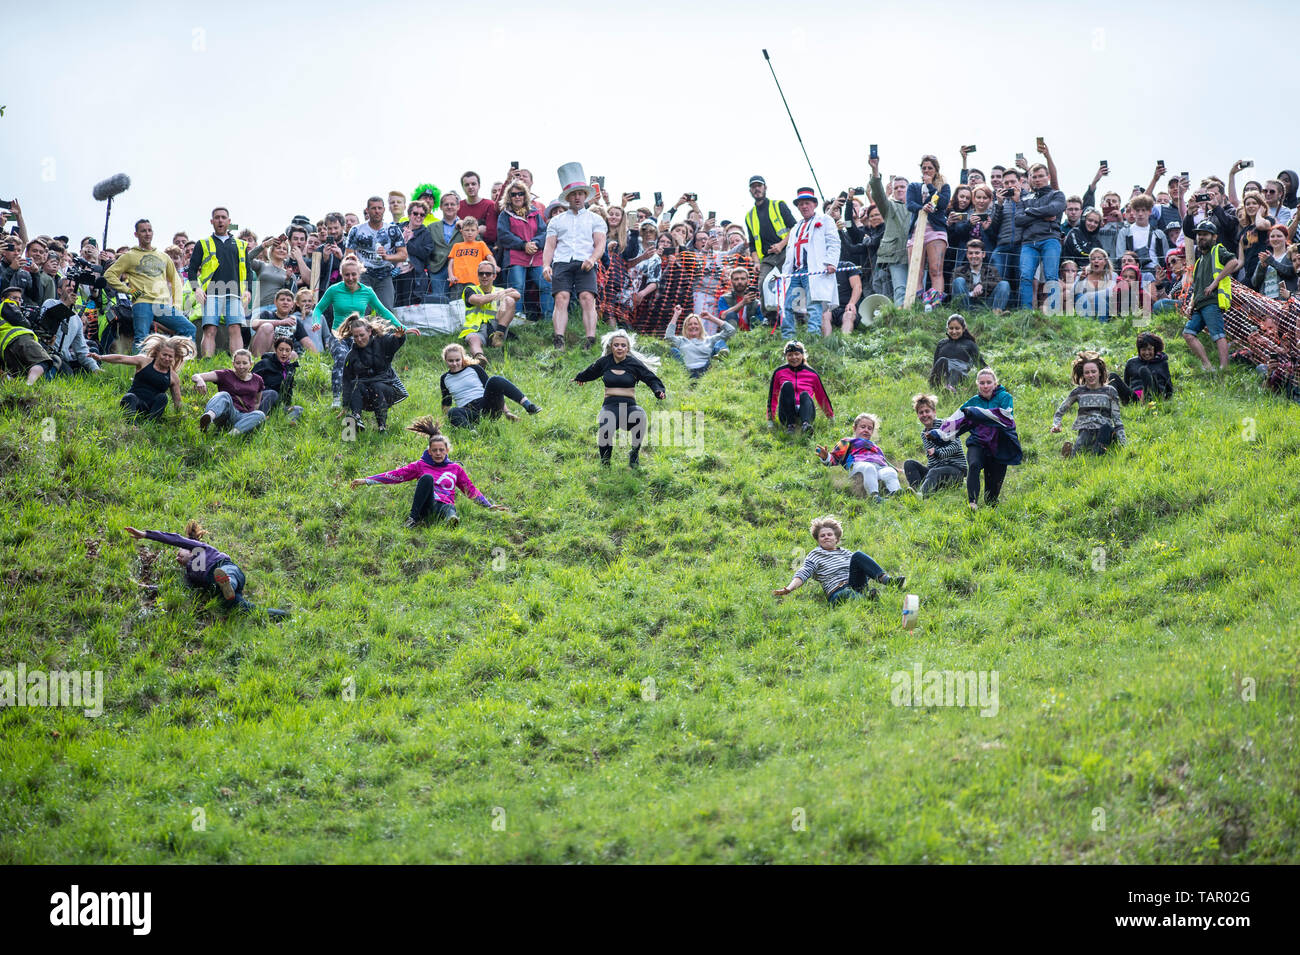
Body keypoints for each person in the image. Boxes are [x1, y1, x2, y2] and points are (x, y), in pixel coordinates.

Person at [348, 416, 508, 528]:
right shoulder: (420, 465)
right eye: (435, 450)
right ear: (429, 451)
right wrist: (367, 480)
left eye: (441, 450)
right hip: (426, 505)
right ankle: (413, 519)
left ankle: (450, 520)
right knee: (426, 478)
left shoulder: (456, 469)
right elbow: (396, 475)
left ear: (447, 450)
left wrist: (488, 506)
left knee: (449, 509)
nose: (438, 453)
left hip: (444, 505)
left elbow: (470, 490)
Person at [123, 522, 288, 617]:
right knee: (248, 609)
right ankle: (286, 616)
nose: (177, 557)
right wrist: (145, 588)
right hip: (220, 591)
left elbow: (174, 539)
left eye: (179, 552)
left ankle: (227, 582)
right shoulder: (191, 574)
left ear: (187, 547)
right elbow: (179, 589)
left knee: (228, 574)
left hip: (225, 568)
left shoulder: (199, 549)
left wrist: (145, 534)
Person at [313, 257, 403, 407]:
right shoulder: (334, 290)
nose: (350, 278)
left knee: (371, 361)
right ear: (342, 274)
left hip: (359, 336)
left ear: (359, 273)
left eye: (353, 274)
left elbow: (383, 311)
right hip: (338, 335)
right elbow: (318, 308)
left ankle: (378, 395)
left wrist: (402, 328)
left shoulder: (367, 291)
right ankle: (337, 398)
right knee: (342, 358)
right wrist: (316, 321)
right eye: (346, 275)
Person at [573, 328, 666, 467]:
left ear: (628, 348)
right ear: (611, 346)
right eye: (616, 345)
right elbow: (591, 371)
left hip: (629, 407)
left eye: (623, 345)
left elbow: (650, 378)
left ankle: (634, 454)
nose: (620, 348)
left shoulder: (634, 364)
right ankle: (605, 463)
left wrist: (658, 390)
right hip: (610, 407)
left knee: (641, 416)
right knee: (605, 423)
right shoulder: (604, 362)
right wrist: (580, 377)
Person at [931, 367, 1022, 510]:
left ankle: (991, 501)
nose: (985, 386)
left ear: (995, 383)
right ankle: (972, 503)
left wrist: (977, 413)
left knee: (990, 500)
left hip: (999, 445)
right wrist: (939, 433)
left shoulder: (1005, 398)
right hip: (978, 443)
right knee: (973, 465)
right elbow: (955, 419)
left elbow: (1005, 417)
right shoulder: (973, 402)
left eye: (988, 382)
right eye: (982, 383)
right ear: (977, 384)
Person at [103, 219, 196, 353]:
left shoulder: (163, 256)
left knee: (189, 328)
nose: (147, 233)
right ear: (136, 234)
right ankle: (137, 371)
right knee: (142, 339)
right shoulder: (129, 256)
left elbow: (175, 280)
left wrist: (177, 305)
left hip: (162, 304)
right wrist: (129, 290)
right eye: (143, 231)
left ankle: (185, 363)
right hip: (142, 303)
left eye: (149, 230)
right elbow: (109, 274)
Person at [773, 515, 906, 605]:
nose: (826, 537)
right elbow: (803, 573)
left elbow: (864, 570)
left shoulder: (846, 553)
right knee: (847, 593)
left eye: (829, 534)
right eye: (822, 536)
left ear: (836, 538)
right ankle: (867, 601)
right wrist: (789, 588)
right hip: (837, 592)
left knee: (858, 555)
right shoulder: (815, 554)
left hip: (856, 585)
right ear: (818, 540)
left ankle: (888, 581)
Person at [542, 165, 607, 350]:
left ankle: (590, 339)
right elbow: (550, 245)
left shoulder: (596, 219)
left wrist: (593, 259)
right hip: (562, 262)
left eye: (580, 193)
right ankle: (559, 339)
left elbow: (600, 243)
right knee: (561, 297)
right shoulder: (556, 221)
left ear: (585, 196)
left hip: (586, 261)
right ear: (568, 197)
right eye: (573, 194)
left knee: (587, 297)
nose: (577, 197)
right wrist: (546, 265)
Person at [187, 207, 252, 358]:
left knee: (235, 328)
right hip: (211, 293)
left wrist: (248, 290)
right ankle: (207, 362)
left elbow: (247, 270)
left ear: (229, 221)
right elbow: (191, 270)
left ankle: (239, 362)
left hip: (235, 293)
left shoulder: (241, 244)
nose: (220, 220)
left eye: (223, 217)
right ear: (212, 221)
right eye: (217, 217)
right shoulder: (202, 243)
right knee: (209, 329)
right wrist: (196, 289)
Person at [780, 187, 840, 338]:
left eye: (807, 203)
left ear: (814, 204)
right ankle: (788, 337)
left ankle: (813, 337)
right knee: (786, 305)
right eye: (801, 204)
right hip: (795, 272)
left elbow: (834, 242)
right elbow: (790, 251)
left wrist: (831, 262)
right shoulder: (795, 227)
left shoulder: (825, 220)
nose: (804, 206)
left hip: (814, 270)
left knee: (814, 305)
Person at [439, 341, 539, 427]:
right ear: (445, 360)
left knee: (495, 380)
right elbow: (446, 403)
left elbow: (493, 388)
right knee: (453, 412)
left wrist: (507, 412)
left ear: (462, 358)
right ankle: (472, 433)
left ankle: (528, 405)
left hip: (488, 407)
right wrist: (446, 420)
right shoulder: (445, 378)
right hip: (469, 412)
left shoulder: (474, 368)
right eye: (450, 361)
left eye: (457, 360)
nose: (454, 363)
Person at [1183, 220, 1239, 372]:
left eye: (1205, 234)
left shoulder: (1218, 250)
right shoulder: (1199, 261)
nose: (1201, 237)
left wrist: (1215, 282)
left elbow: (1234, 262)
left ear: (1214, 237)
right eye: (1199, 234)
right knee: (1188, 334)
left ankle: (1224, 368)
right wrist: (1190, 305)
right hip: (1199, 304)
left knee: (1218, 334)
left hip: (1212, 302)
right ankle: (1208, 365)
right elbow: (1197, 288)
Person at [339, 314, 410, 433]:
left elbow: (394, 341)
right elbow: (346, 381)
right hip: (365, 396)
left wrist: (399, 337)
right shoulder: (351, 356)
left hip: (386, 388)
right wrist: (345, 405)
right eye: (355, 336)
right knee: (355, 385)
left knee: (376, 386)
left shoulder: (382, 341)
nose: (359, 339)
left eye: (362, 335)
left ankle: (382, 426)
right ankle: (356, 418)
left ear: (370, 331)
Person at [99, 333, 194, 420]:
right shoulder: (143, 361)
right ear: (158, 353)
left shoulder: (173, 377)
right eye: (164, 355)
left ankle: (150, 423)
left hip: (151, 408)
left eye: (170, 356)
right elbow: (120, 358)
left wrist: (181, 418)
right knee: (129, 397)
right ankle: (132, 425)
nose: (167, 358)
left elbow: (178, 402)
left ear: (174, 358)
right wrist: (100, 357)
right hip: (134, 402)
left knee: (163, 397)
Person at [496, 181, 553, 321]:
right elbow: (503, 235)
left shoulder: (535, 212)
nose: (517, 197)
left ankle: (548, 319)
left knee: (547, 285)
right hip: (515, 256)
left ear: (525, 195)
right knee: (517, 288)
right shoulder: (505, 215)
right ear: (509, 197)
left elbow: (544, 232)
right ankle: (516, 319)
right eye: (513, 194)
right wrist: (523, 245)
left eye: (520, 193)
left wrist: (536, 243)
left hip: (536, 255)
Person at [1052, 352, 1126, 457]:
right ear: (1083, 374)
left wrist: (1124, 444)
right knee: (1084, 436)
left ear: (1099, 372)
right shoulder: (1078, 392)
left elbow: (1117, 420)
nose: (1090, 375)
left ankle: (1094, 453)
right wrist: (1056, 425)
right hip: (1085, 432)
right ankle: (1073, 454)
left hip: (1105, 432)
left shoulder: (1110, 391)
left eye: (1093, 372)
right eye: (1087, 373)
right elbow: (1060, 412)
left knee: (1106, 428)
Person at [816, 412, 902, 503]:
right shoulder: (847, 441)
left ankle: (897, 494)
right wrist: (826, 457)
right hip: (858, 465)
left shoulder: (875, 447)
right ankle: (874, 497)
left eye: (869, 428)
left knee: (890, 472)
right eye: (863, 427)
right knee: (869, 468)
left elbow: (884, 461)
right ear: (854, 428)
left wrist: (896, 469)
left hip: (880, 468)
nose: (866, 430)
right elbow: (834, 458)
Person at [1014, 163, 1065, 311]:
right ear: (1030, 178)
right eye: (1034, 177)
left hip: (1050, 239)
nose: (1037, 180)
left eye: (1041, 176)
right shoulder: (1024, 198)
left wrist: (1029, 212)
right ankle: (1026, 313)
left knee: (1051, 277)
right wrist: (1043, 215)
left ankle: (1053, 313)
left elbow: (1054, 209)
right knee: (1025, 277)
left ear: (1048, 177)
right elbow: (1018, 220)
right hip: (1029, 243)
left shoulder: (1057, 194)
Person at [346, 196, 408, 309]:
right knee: (361, 310)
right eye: (373, 208)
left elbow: (403, 255)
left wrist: (387, 257)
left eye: (379, 208)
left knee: (386, 311)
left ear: (384, 209)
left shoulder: (393, 230)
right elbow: (349, 256)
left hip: (384, 275)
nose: (377, 211)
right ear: (367, 210)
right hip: (363, 274)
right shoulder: (356, 230)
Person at [902, 393, 967, 499]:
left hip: (955, 470)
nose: (924, 415)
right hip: (936, 472)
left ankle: (922, 495)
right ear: (918, 415)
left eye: (927, 411)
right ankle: (918, 491)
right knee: (909, 464)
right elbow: (932, 460)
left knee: (934, 471)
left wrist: (938, 452)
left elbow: (955, 446)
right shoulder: (924, 434)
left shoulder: (946, 425)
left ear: (934, 412)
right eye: (921, 412)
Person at [192, 348, 268, 436]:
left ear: (251, 364)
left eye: (244, 363)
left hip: (244, 417)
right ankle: (208, 417)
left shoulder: (257, 380)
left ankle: (231, 434)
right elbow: (196, 376)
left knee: (260, 414)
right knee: (224, 395)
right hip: (226, 414)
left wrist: (251, 418)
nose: (241, 366)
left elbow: (257, 402)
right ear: (233, 364)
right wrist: (200, 380)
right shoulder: (225, 374)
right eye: (238, 363)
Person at [905, 155, 951, 301]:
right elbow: (910, 204)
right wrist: (922, 207)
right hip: (917, 231)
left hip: (935, 231)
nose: (926, 170)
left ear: (936, 170)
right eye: (924, 168)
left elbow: (943, 204)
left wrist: (931, 186)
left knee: (935, 269)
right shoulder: (913, 186)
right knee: (916, 271)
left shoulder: (944, 187)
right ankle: (916, 303)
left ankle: (934, 303)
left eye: (930, 168)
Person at [868, 155, 911, 305]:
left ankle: (916, 321)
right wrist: (875, 171)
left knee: (917, 291)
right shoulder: (889, 207)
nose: (899, 190)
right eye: (896, 187)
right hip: (896, 255)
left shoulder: (918, 207)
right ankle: (902, 322)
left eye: (902, 187)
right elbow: (879, 195)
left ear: (909, 189)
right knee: (900, 290)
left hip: (917, 255)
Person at [766, 339, 834, 435]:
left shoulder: (812, 374)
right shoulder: (779, 372)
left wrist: (831, 417)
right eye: (790, 355)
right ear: (786, 356)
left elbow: (822, 396)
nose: (794, 357)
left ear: (802, 355)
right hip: (786, 413)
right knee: (787, 385)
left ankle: (806, 426)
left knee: (805, 395)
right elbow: (772, 397)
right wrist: (770, 420)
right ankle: (791, 426)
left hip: (806, 412)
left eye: (797, 354)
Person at [38, 276, 101, 375]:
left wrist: (95, 369)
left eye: (74, 286)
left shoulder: (77, 320)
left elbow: (81, 349)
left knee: (84, 367)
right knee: (67, 373)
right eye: (67, 285)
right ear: (59, 291)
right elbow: (45, 325)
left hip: (64, 358)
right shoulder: (50, 303)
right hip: (46, 354)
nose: (72, 288)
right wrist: (66, 304)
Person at [460, 262, 519, 360]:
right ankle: (479, 357)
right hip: (476, 329)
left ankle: (498, 336)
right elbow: (479, 300)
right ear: (477, 275)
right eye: (481, 273)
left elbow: (517, 295)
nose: (484, 276)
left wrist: (502, 293)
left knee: (510, 300)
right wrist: (503, 293)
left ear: (494, 276)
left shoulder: (499, 290)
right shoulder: (470, 289)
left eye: (488, 274)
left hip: (496, 327)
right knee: (474, 339)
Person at [663, 305, 735, 379]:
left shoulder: (709, 340)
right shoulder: (681, 341)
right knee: (673, 350)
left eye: (696, 324)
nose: (693, 326)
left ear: (700, 327)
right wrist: (676, 314)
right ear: (685, 328)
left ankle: (721, 357)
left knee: (720, 343)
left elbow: (731, 331)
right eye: (689, 324)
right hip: (687, 370)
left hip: (707, 369)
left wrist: (711, 317)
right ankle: (682, 376)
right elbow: (668, 338)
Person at [1, 285, 54, 385]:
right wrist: (31, 323)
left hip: (6, 349)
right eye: (14, 297)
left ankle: (22, 388)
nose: (17, 301)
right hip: (20, 339)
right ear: (3, 299)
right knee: (43, 362)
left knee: (20, 374)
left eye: (20, 299)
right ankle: (29, 386)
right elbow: (21, 321)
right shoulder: (7, 304)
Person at [251, 327, 304, 422]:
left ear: (291, 352)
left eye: (287, 350)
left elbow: (288, 392)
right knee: (272, 393)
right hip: (260, 400)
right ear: (275, 349)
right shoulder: (264, 363)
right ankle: (257, 420)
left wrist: (286, 404)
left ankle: (285, 423)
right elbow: (250, 384)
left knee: (298, 408)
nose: (284, 353)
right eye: (281, 349)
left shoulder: (290, 369)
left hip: (276, 404)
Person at [1108, 332, 1173, 403]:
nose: (1147, 353)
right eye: (1144, 350)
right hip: (1134, 397)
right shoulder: (1131, 363)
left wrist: (1166, 400)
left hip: (1154, 396)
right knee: (1112, 376)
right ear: (1139, 350)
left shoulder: (1162, 363)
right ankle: (1111, 404)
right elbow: (1127, 384)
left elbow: (1169, 387)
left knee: (1144, 371)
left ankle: (1146, 401)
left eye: (1149, 349)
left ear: (1155, 349)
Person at [248, 288, 314, 356]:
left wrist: (318, 358)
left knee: (293, 354)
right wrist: (281, 322)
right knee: (267, 326)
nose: (285, 302)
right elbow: (254, 324)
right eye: (282, 299)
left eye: (288, 300)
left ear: (292, 305)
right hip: (264, 351)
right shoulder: (267, 314)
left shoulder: (294, 321)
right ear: (275, 302)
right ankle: (258, 363)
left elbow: (307, 341)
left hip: (281, 354)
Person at [950, 240, 1010, 314]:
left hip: (987, 305)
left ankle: (996, 314)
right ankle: (964, 315)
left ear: (983, 254)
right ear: (967, 255)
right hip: (967, 304)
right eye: (970, 253)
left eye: (977, 253)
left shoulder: (992, 270)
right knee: (959, 281)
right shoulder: (958, 271)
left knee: (1004, 284)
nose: (974, 256)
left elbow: (998, 284)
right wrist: (974, 290)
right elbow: (953, 290)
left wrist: (982, 285)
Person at [929, 314, 982, 391]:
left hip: (960, 374)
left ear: (963, 329)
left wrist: (990, 376)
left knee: (955, 371)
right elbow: (935, 365)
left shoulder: (970, 344)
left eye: (957, 328)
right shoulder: (942, 344)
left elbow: (980, 364)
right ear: (947, 329)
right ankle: (937, 387)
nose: (954, 331)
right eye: (951, 328)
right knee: (942, 360)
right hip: (942, 375)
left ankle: (950, 389)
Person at [447, 217, 497, 294]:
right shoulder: (456, 246)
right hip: (457, 282)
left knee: (475, 304)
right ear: (461, 231)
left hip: (475, 281)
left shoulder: (481, 244)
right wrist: (451, 276)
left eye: (473, 230)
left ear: (477, 232)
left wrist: (494, 267)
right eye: (467, 230)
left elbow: (489, 257)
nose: (470, 233)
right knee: (456, 304)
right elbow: (451, 262)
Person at [1074, 248, 1117, 321]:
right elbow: (1073, 293)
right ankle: (1087, 326)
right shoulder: (1081, 274)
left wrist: (1089, 295)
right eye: (1093, 259)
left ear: (1105, 261)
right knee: (1082, 297)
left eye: (1099, 259)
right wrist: (1080, 281)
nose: (1096, 261)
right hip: (1085, 305)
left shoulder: (1112, 275)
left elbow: (1111, 291)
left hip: (1103, 305)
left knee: (1099, 299)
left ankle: (1101, 327)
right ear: (1090, 261)